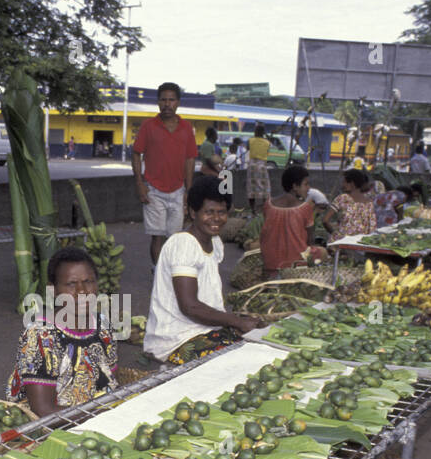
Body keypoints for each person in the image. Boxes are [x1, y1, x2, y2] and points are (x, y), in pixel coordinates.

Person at [144, 177, 261, 364]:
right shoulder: (183, 244)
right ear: (193, 212)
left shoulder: (214, 242)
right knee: (237, 361)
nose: (216, 218)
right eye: (209, 212)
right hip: (176, 339)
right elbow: (190, 306)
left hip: (204, 330)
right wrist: (235, 321)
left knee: (255, 350)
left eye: (222, 212)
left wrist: (234, 320)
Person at [7, 247, 118, 415]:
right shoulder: (41, 336)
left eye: (88, 281)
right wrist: (101, 416)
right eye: (71, 284)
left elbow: (110, 383)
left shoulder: (103, 326)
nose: (82, 291)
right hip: (51, 425)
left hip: (97, 414)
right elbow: (43, 410)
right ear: (53, 290)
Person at [132, 82, 198, 266]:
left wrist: (188, 191)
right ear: (158, 102)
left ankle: (169, 273)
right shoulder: (148, 126)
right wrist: (140, 184)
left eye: (171, 100)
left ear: (178, 102)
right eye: (163, 100)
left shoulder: (186, 128)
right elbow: (136, 153)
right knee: (157, 237)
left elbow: (190, 160)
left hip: (178, 191)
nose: (167, 104)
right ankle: (157, 273)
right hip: (153, 191)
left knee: (174, 238)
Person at [260, 165, 317, 278]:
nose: (308, 188)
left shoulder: (269, 204)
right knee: (321, 253)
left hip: (270, 263)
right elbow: (310, 240)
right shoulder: (305, 208)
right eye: (306, 184)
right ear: (295, 186)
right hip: (295, 266)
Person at [325, 168, 377, 243]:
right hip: (360, 245)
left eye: (344, 182)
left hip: (342, 244)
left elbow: (325, 220)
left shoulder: (343, 198)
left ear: (352, 184)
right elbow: (372, 228)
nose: (342, 185)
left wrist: (335, 235)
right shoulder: (369, 203)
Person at [246, 123, 271, 212]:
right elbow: (267, 153)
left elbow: (248, 149)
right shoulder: (267, 142)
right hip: (262, 166)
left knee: (251, 188)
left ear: (255, 132)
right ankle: (264, 208)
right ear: (263, 132)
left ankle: (253, 209)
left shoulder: (250, 140)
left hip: (252, 166)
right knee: (264, 188)